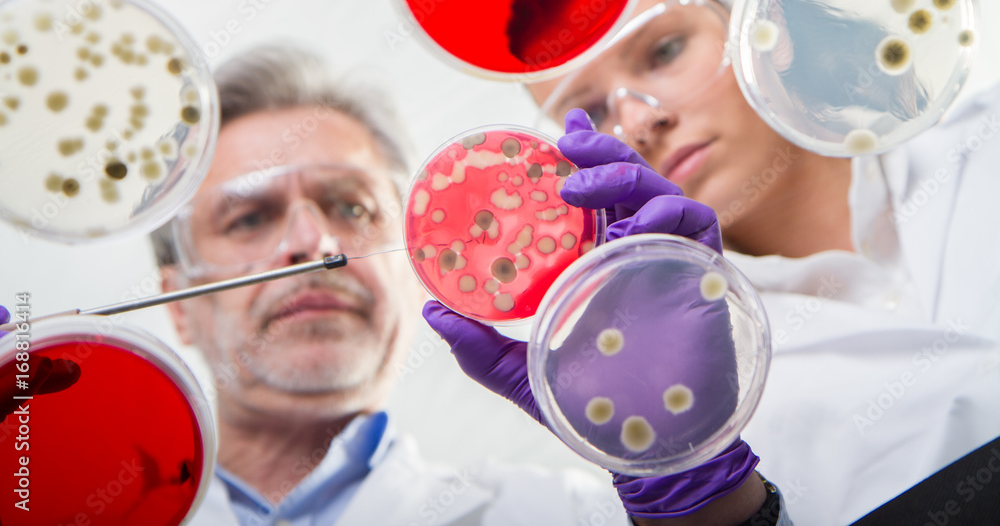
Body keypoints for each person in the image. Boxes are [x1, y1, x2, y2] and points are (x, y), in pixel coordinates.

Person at [140, 44, 787, 525]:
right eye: (249, 216)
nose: (316, 242)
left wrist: (691, 482)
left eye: (352, 207)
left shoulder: (569, 515)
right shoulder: (59, 498)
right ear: (178, 303)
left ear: (409, 266)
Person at [525, 0, 1000, 525]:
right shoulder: (703, 405)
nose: (640, 121)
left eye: (664, 51)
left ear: (754, 21)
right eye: (589, 111)